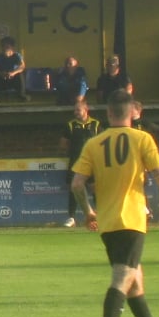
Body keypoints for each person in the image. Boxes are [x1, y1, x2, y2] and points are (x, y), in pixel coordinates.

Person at [70, 91, 159, 317]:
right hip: (132, 219)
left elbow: (76, 184)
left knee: (135, 281)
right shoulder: (143, 139)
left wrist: (88, 211)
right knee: (123, 277)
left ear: (108, 114)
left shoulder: (94, 143)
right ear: (132, 112)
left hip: (107, 222)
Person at [59, 97, 101, 228]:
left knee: (95, 189)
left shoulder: (96, 124)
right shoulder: (70, 125)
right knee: (74, 189)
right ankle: (71, 217)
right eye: (75, 110)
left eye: (78, 110)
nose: (76, 112)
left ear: (86, 110)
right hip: (76, 162)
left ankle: (100, 216)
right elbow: (64, 143)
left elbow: (101, 142)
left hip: (93, 163)